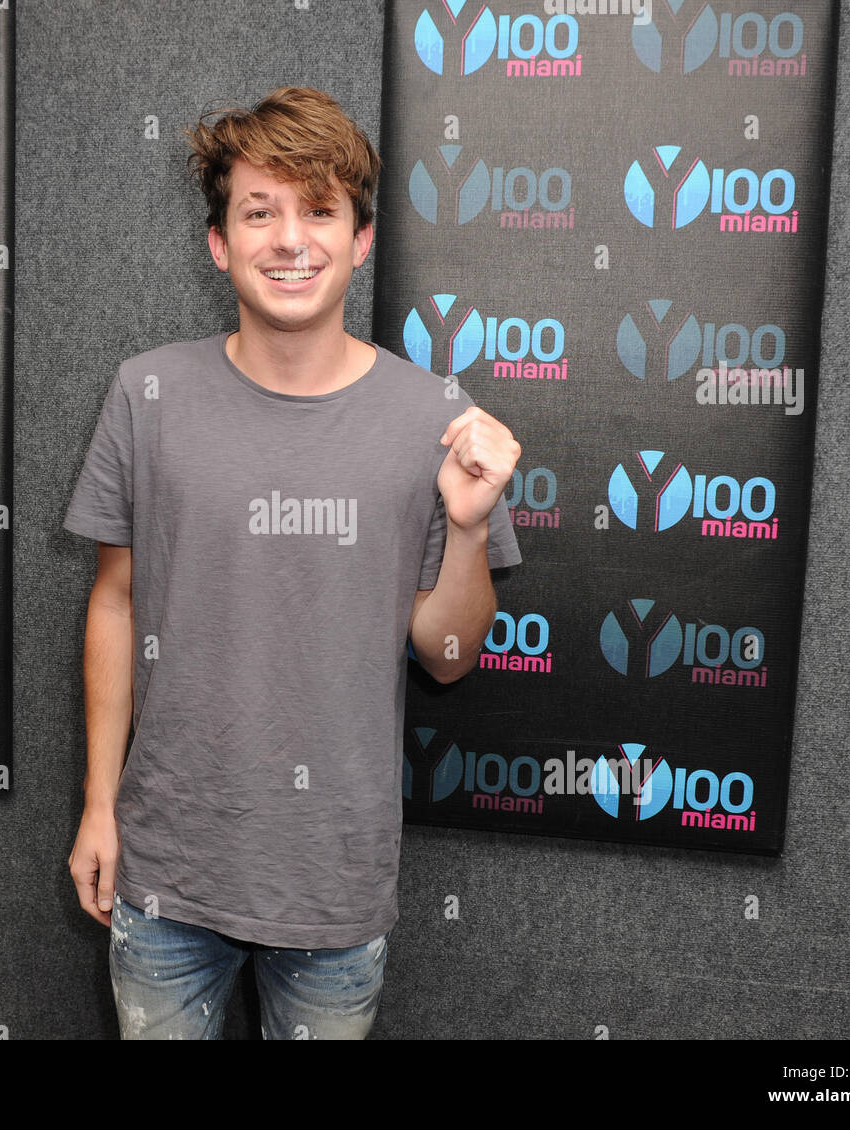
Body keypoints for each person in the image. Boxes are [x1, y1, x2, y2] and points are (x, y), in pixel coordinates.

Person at [63, 86, 523, 1039]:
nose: (290, 239)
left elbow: (447, 656)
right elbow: (114, 604)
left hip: (334, 887)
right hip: (167, 874)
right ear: (218, 244)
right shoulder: (147, 394)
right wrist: (98, 808)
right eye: (258, 211)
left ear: (360, 241)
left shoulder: (432, 418)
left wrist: (470, 528)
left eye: (319, 210)